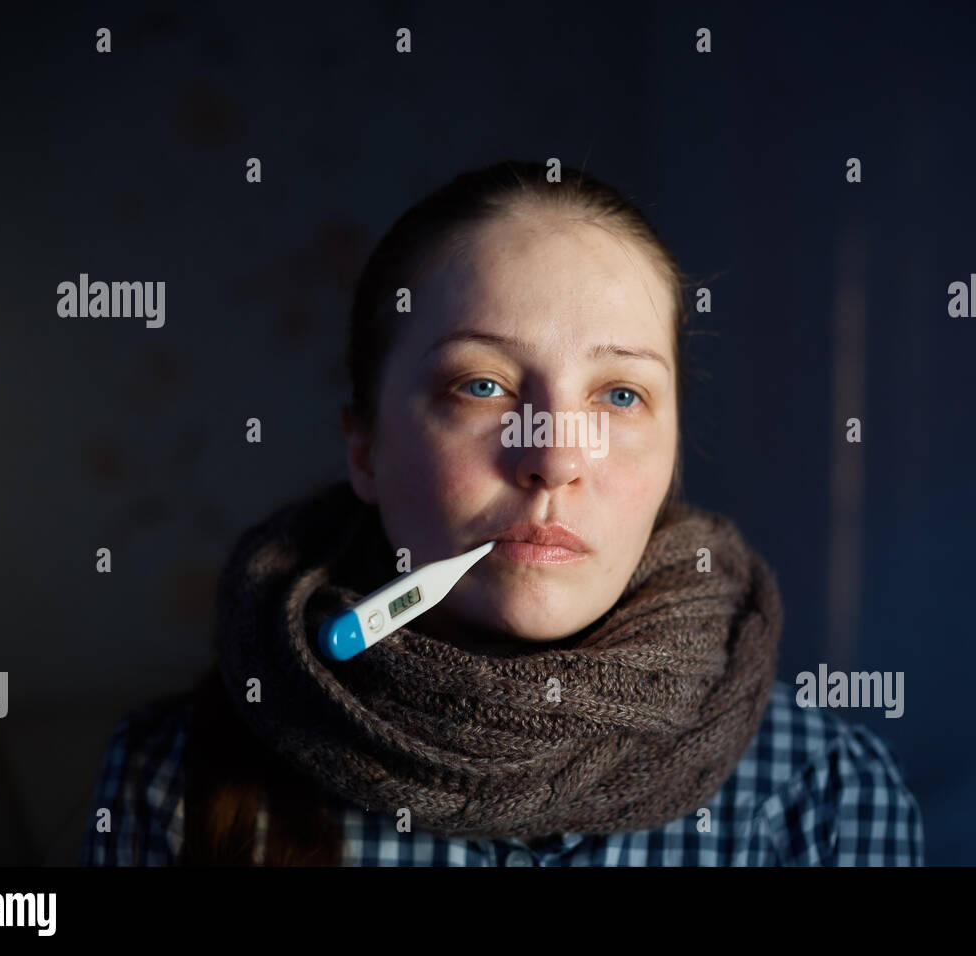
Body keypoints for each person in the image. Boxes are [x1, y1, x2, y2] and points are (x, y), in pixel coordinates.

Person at [80, 159, 924, 866]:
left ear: (671, 455)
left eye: (620, 395)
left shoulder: (827, 795)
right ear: (365, 450)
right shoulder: (169, 778)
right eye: (481, 385)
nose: (553, 458)